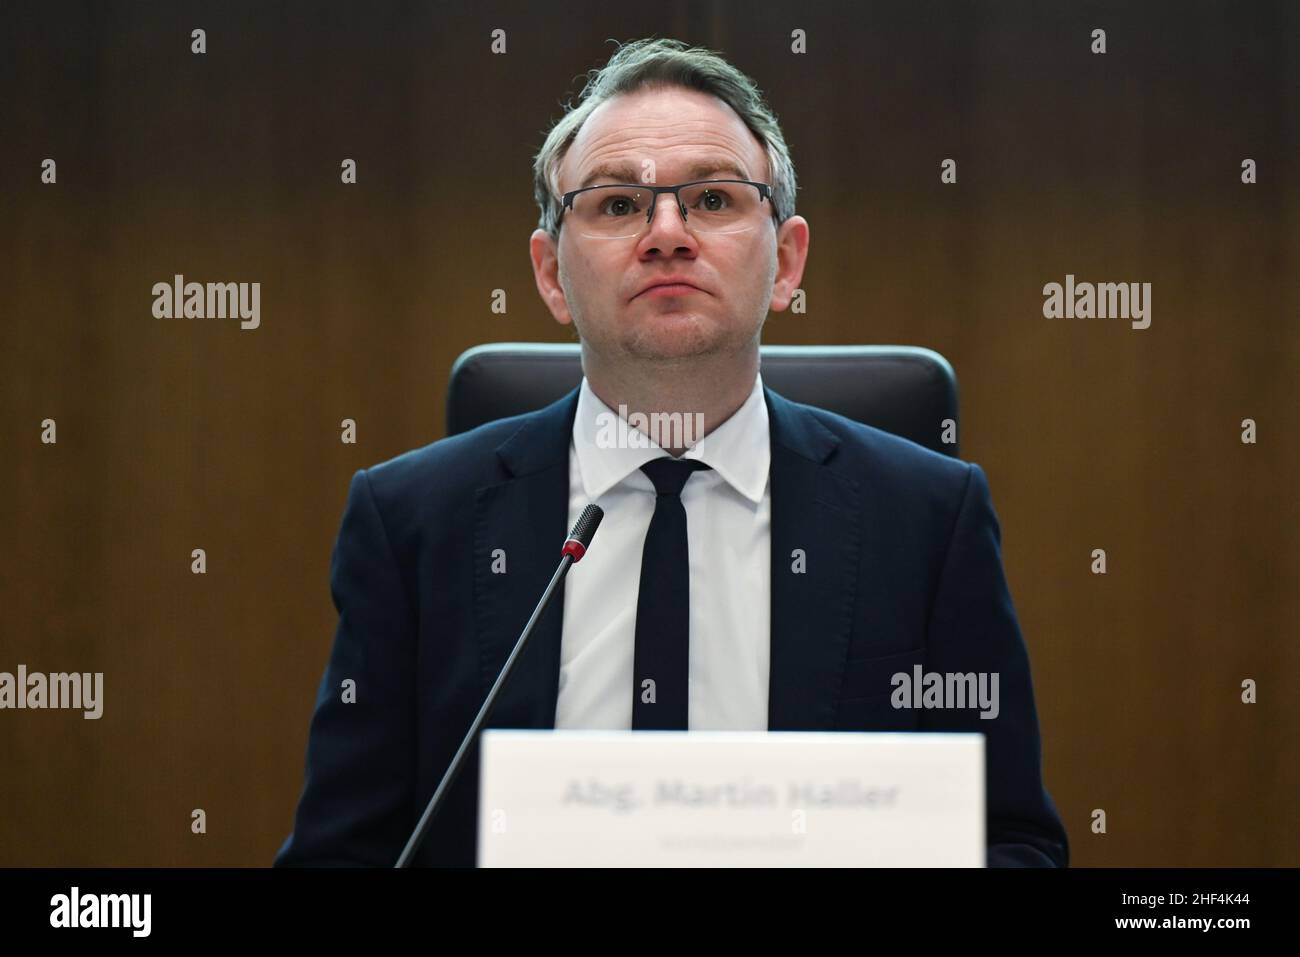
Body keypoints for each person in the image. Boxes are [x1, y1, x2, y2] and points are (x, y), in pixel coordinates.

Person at [275, 38, 1068, 867]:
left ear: (787, 262)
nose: (666, 234)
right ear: (550, 275)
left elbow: (1013, 843)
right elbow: (343, 853)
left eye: (713, 199)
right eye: (618, 205)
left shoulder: (928, 520)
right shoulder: (410, 524)